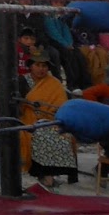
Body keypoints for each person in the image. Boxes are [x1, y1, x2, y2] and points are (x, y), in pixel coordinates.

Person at [17, 51, 76, 185]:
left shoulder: (53, 82)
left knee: (65, 136)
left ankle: (53, 174)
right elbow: (18, 105)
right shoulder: (22, 81)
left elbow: (61, 104)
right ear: (31, 66)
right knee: (41, 136)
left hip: (51, 119)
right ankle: (43, 174)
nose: (41, 69)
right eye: (38, 65)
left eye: (44, 66)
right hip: (28, 120)